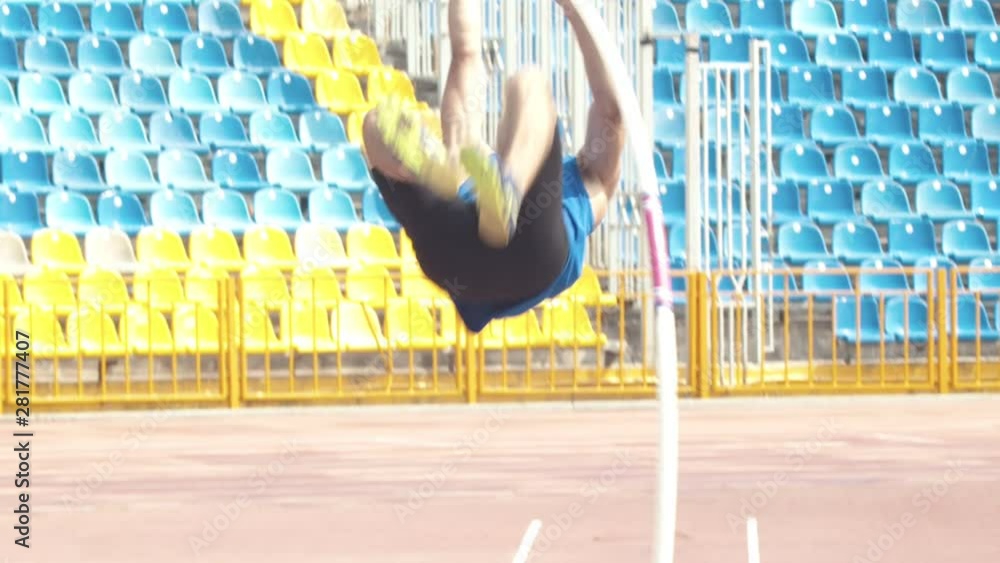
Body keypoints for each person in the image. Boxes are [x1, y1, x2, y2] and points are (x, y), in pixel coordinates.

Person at [362, 0, 624, 333]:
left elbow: (466, 52)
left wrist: (576, 10)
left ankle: (493, 188)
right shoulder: (591, 188)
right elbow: (611, 114)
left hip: (459, 263)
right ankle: (496, 189)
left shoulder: (585, 181)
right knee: (389, 123)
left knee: (526, 85)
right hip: (524, 260)